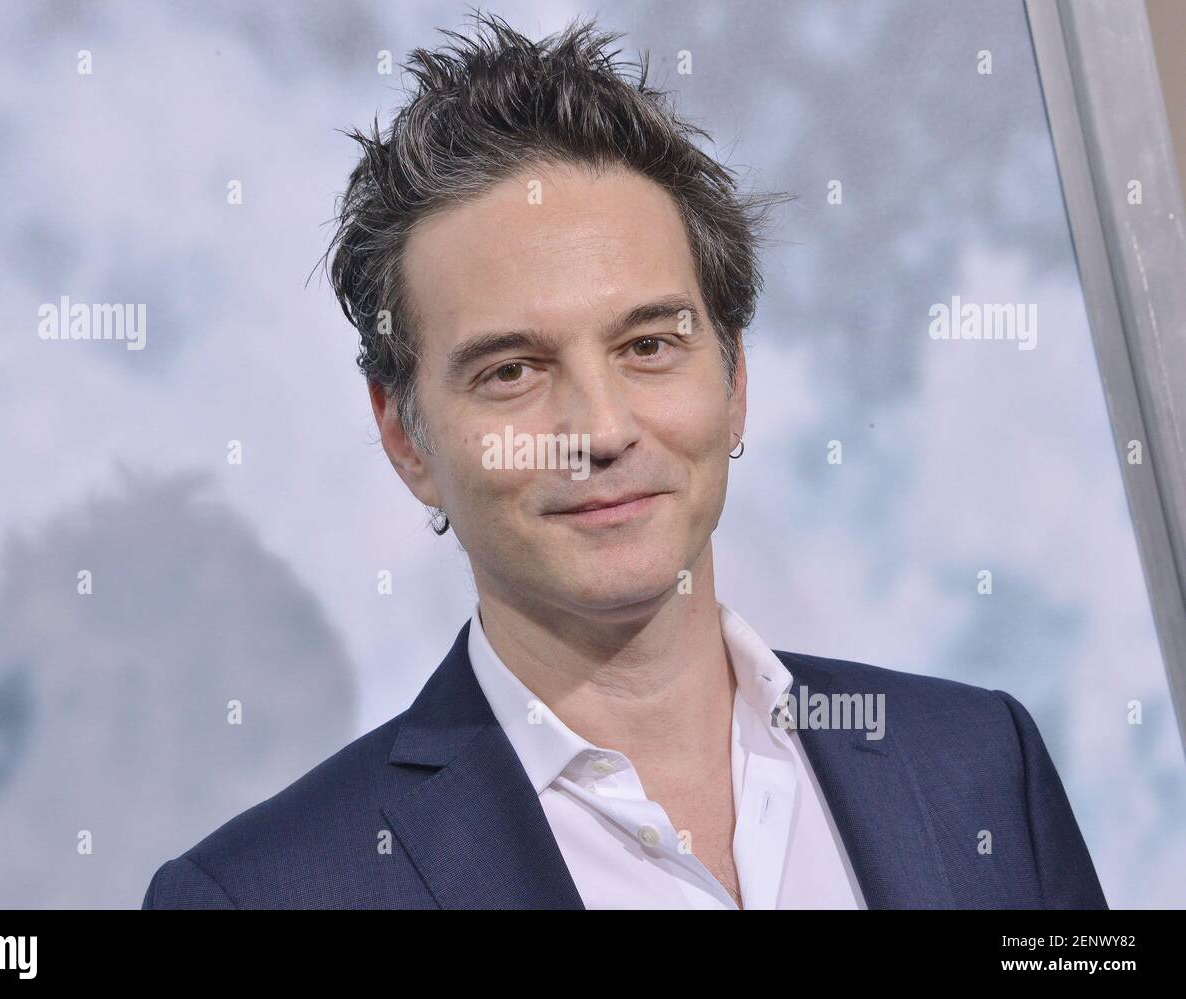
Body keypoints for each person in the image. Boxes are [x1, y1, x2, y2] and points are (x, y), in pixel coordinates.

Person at [143, 12, 1106, 910]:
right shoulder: (266, 894)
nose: (600, 428)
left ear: (735, 378)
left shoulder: (981, 766)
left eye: (649, 345)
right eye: (512, 370)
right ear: (406, 438)